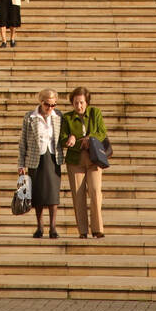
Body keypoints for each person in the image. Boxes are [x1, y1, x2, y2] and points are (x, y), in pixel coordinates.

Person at [60, 86, 108, 238]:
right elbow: (61, 139)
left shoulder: (95, 113)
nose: (79, 106)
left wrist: (90, 138)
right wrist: (70, 139)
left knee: (95, 191)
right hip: (75, 159)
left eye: (81, 102)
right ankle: (82, 230)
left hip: (93, 158)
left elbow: (102, 133)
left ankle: (97, 228)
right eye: (75, 103)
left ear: (87, 102)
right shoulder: (67, 118)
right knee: (78, 195)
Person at [18, 88, 63, 238]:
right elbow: (23, 142)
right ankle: (40, 227)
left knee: (53, 194)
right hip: (35, 159)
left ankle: (53, 227)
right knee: (37, 195)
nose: (50, 108)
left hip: (53, 157)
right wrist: (21, 164)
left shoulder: (58, 116)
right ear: (41, 102)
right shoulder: (30, 117)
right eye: (47, 105)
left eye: (53, 105)